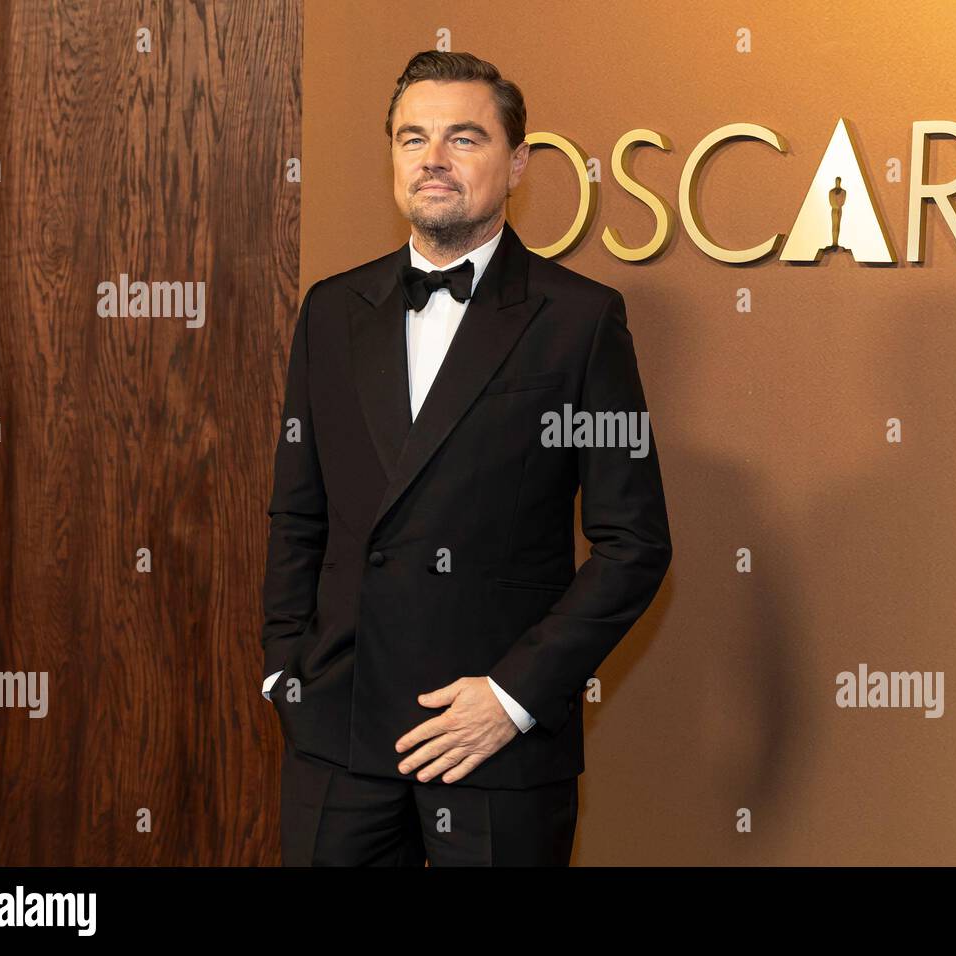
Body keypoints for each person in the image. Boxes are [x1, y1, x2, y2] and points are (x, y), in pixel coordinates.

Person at [260, 50, 672, 866]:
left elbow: (635, 545)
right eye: (413, 139)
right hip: (337, 736)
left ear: (517, 162)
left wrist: (513, 697)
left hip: (493, 751)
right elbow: (297, 509)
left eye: (464, 139)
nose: (434, 160)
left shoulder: (580, 323)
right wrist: (284, 669)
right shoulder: (333, 311)